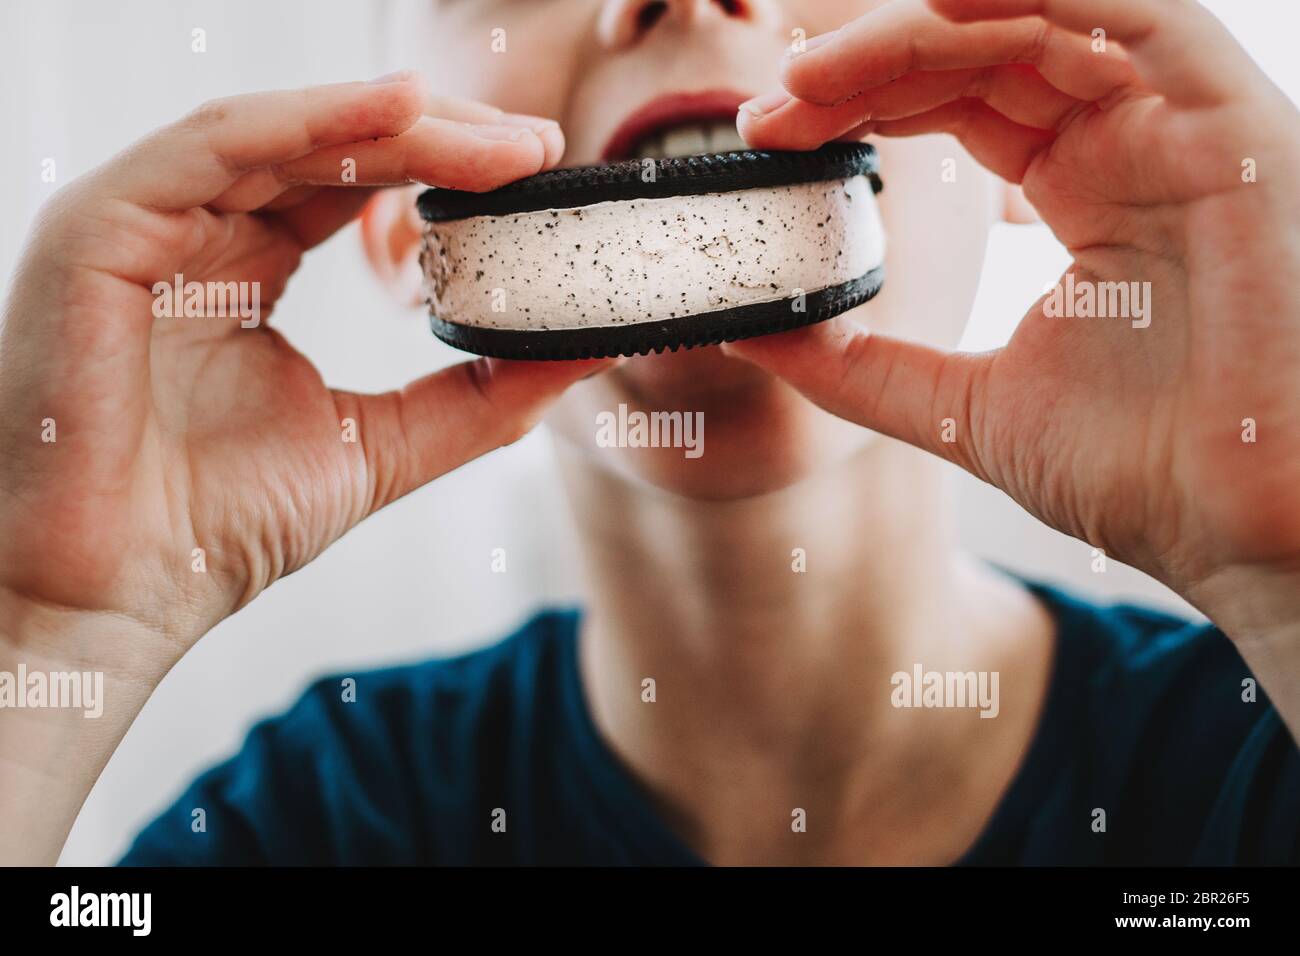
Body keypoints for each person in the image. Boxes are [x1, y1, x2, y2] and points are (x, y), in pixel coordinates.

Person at [2, 0, 1298, 866]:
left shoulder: (1252, 758)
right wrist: (50, 633)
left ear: (1007, 157)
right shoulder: (307, 827)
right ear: (406, 239)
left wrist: (1286, 582)